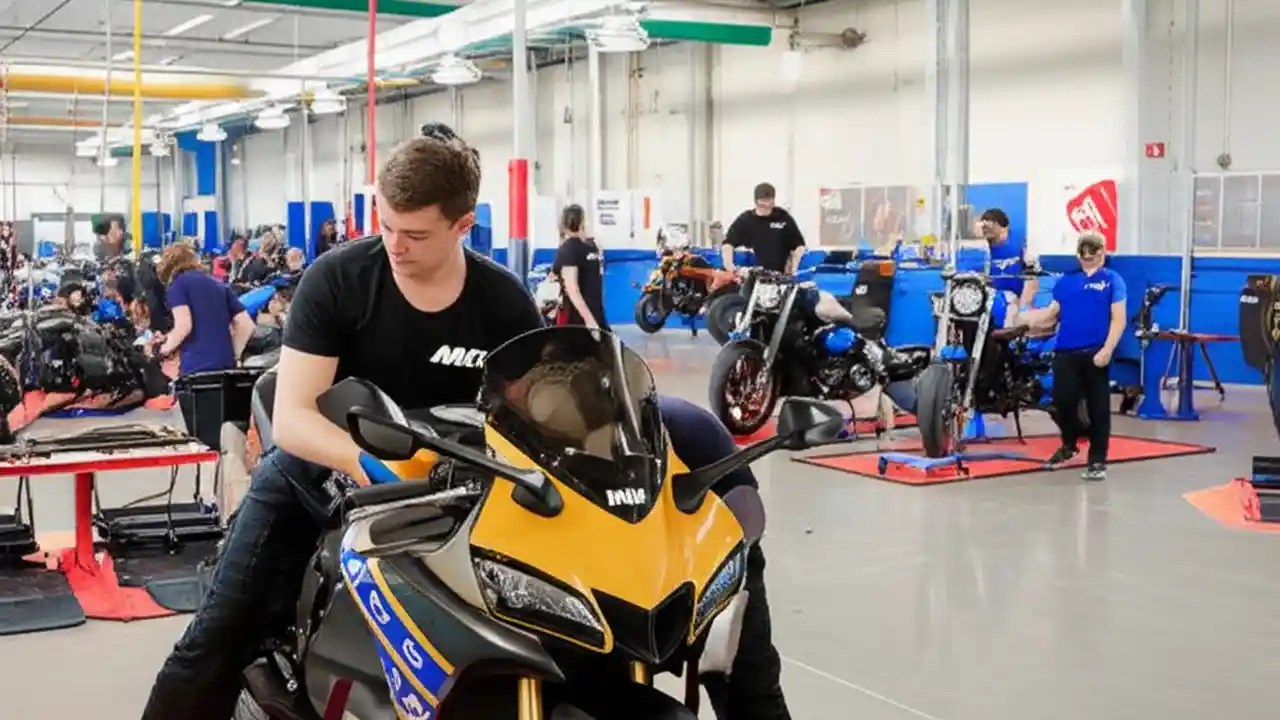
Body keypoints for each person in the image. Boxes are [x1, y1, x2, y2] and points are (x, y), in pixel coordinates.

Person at [143, 126, 791, 720]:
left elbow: (541, 412)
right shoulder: (338, 280)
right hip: (330, 462)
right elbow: (294, 417)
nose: (395, 244)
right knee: (217, 636)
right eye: (387, 225)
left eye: (416, 234)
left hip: (467, 479)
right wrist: (368, 462)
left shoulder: (501, 298)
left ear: (461, 225)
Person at [1040, 232, 1127, 481]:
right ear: (1078, 253)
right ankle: (1070, 443)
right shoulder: (1066, 281)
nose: (1088, 256)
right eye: (1084, 251)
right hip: (1066, 351)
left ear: (1102, 251)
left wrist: (1107, 349)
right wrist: (1023, 320)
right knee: (1061, 401)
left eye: (1094, 251)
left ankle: (1098, 459)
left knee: (1098, 407)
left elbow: (1118, 319)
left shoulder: (1112, 280)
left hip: (1095, 353)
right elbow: (1051, 314)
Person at [154, 244, 256, 442]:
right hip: (226, 371)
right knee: (228, 438)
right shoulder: (218, 284)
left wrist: (162, 349)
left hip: (197, 373)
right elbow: (246, 325)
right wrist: (233, 353)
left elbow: (184, 326)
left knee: (202, 441)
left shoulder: (178, 285)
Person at [721, 182, 806, 275]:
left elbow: (799, 245)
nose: (766, 206)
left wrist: (794, 267)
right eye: (762, 203)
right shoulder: (746, 220)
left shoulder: (783, 217)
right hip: (753, 276)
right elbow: (727, 244)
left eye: (769, 202)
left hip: (780, 276)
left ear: (773, 201)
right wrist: (729, 265)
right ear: (756, 202)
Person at [552, 203, 607, 331]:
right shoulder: (570, 250)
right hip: (579, 323)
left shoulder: (589, 247)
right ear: (581, 221)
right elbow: (573, 290)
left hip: (595, 317)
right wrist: (590, 322)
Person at [978, 208, 1039, 310]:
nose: (985, 228)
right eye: (984, 225)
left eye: (991, 224)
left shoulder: (1021, 245)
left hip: (1016, 302)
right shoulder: (982, 251)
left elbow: (1032, 281)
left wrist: (1022, 309)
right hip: (992, 301)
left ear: (1004, 228)